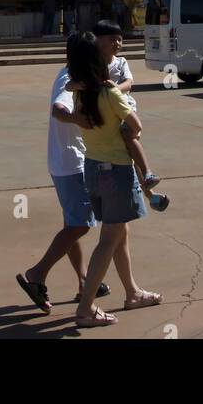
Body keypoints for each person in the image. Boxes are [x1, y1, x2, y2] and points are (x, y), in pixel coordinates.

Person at [69, 32, 162, 328]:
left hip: (93, 169)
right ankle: (85, 309)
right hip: (116, 172)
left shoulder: (79, 93)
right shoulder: (110, 94)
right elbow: (136, 126)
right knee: (108, 240)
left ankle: (133, 293)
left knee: (119, 234)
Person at [16, 34, 110, 314]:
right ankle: (37, 273)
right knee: (81, 224)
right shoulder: (71, 79)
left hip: (64, 161)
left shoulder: (71, 74)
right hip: (71, 163)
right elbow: (59, 109)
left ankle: (84, 281)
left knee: (73, 224)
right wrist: (76, 118)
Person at [92, 21, 169, 211]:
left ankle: (148, 174)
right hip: (107, 114)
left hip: (124, 109)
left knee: (129, 137)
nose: (117, 44)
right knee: (125, 155)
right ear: (98, 41)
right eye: (112, 40)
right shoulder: (93, 64)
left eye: (120, 40)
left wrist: (115, 89)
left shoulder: (121, 61)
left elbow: (129, 83)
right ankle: (150, 196)